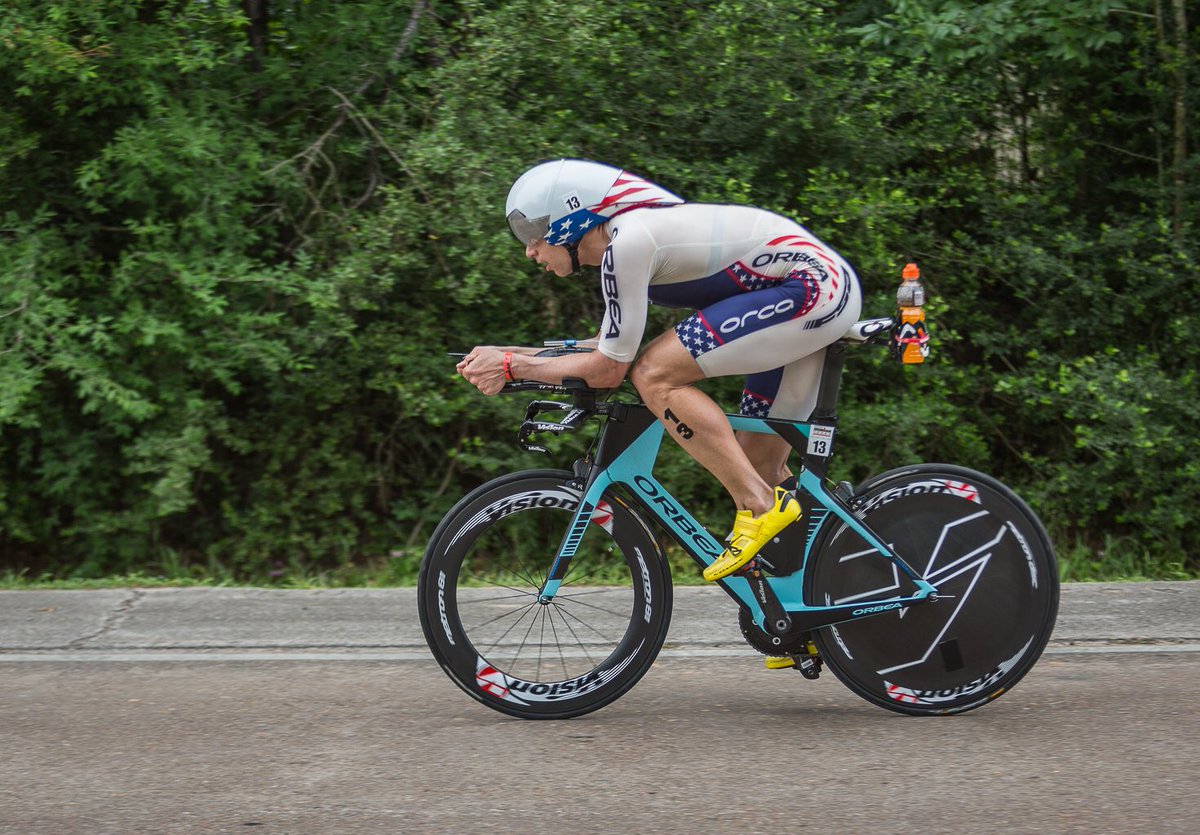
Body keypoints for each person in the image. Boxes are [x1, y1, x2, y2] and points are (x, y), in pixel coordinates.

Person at [458, 159, 862, 591]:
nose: (529, 250)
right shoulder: (625, 244)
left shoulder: (629, 242)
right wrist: (509, 355)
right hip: (810, 288)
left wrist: (511, 366)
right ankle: (822, 600)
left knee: (653, 374)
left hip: (811, 287)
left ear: (569, 219)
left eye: (532, 232)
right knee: (758, 463)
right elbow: (603, 348)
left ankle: (759, 506)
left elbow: (610, 369)